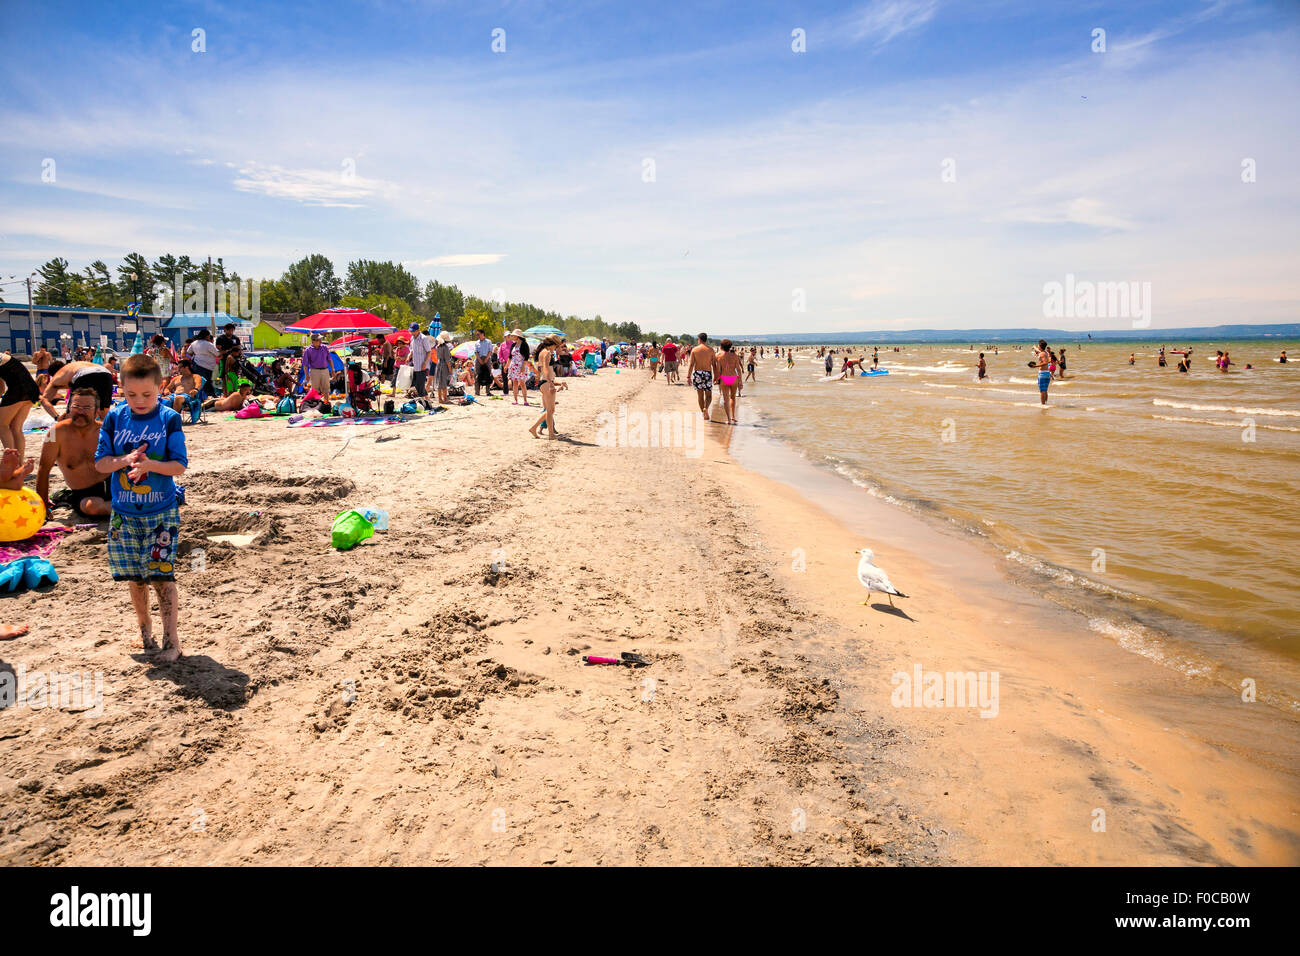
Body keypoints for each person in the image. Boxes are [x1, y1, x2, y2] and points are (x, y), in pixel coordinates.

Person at [93, 353, 188, 662]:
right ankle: (144, 633)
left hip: (161, 512)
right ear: (121, 388)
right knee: (134, 578)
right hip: (123, 514)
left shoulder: (169, 418)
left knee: (162, 577)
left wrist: (150, 464)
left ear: (160, 387)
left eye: (147, 394)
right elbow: (101, 464)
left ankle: (171, 642)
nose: (140, 400)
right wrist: (126, 460)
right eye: (132, 394)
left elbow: (179, 466)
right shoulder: (114, 417)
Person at [37, 387, 110, 518]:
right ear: (69, 408)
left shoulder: (106, 431)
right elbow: (43, 469)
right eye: (76, 406)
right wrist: (42, 504)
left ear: (97, 411)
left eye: (87, 407)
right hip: (84, 492)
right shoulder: (55, 433)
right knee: (93, 508)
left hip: (112, 484)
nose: (80, 412)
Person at [0, 351, 41, 461]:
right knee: (16, 428)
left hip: (17, 390)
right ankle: (19, 464)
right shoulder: (3, 357)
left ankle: (12, 462)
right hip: (31, 388)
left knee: (2, 426)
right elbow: (1, 387)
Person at [41, 359, 114, 418]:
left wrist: (56, 417)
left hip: (83, 374)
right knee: (104, 413)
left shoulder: (56, 377)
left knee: (72, 415)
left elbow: (44, 400)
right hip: (106, 373)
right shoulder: (74, 365)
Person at [529, 336, 564, 439]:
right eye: (557, 346)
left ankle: (534, 428)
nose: (556, 348)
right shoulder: (547, 353)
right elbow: (545, 368)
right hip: (546, 382)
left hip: (543, 382)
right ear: (554, 344)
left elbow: (541, 369)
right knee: (550, 410)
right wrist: (551, 384)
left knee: (550, 410)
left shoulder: (542, 352)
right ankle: (551, 434)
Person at [687, 333, 716, 421]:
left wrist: (688, 376)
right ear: (706, 339)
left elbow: (691, 364)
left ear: (699, 339)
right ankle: (706, 408)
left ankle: (704, 414)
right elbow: (714, 365)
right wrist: (716, 376)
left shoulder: (694, 350)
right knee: (709, 396)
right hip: (707, 373)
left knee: (700, 396)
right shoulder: (711, 350)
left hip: (697, 373)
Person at [714, 339, 743, 425]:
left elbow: (718, 371)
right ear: (730, 347)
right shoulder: (735, 356)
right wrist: (740, 381)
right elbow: (738, 369)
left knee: (726, 400)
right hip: (734, 378)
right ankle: (733, 416)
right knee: (733, 398)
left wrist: (717, 380)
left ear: (721, 347)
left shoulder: (719, 356)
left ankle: (729, 419)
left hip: (724, 378)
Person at [186, 328, 219, 396]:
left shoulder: (194, 343)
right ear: (206, 336)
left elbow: (187, 353)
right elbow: (218, 354)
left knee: (201, 383)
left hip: (197, 366)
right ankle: (210, 397)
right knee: (208, 383)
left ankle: (203, 397)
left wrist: (192, 358)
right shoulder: (208, 344)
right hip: (208, 367)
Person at [301, 333, 333, 397]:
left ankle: (326, 403)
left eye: (320, 339)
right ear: (313, 341)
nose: (321, 341)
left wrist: (333, 369)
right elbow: (305, 364)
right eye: (319, 339)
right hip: (314, 371)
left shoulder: (325, 348)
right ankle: (315, 404)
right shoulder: (308, 350)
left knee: (326, 389)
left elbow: (329, 359)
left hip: (325, 370)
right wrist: (306, 375)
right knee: (314, 389)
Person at [409, 323, 434, 397]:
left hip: (422, 365)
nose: (412, 333)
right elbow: (412, 350)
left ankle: (423, 401)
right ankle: (426, 399)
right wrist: (409, 356)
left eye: (413, 331)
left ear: (418, 330)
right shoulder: (412, 339)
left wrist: (425, 363)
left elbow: (429, 351)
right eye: (411, 331)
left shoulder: (424, 338)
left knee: (420, 385)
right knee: (416, 385)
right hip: (415, 365)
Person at [433, 331, 453, 404]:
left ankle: (440, 399)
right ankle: (444, 398)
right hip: (444, 365)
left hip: (438, 364)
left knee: (439, 382)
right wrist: (450, 370)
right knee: (444, 382)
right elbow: (447, 360)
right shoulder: (445, 347)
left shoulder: (437, 347)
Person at [473, 328, 494, 397]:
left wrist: (486, 359)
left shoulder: (488, 342)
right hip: (479, 359)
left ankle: (488, 391)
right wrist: (479, 360)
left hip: (487, 358)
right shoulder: (476, 343)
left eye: (478, 334)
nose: (477, 336)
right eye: (477, 334)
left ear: (482, 334)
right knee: (477, 375)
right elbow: (476, 352)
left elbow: (490, 351)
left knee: (488, 374)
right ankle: (477, 392)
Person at [1033, 339, 1052, 406]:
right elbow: (1038, 351)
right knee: (1045, 390)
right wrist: (1034, 347)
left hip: (1043, 374)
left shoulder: (1042, 353)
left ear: (1040, 346)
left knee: (1042, 391)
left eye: (1038, 345)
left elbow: (1045, 362)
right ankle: (1045, 403)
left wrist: (1035, 366)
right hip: (1047, 373)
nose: (1038, 346)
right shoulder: (1045, 352)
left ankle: (1043, 405)